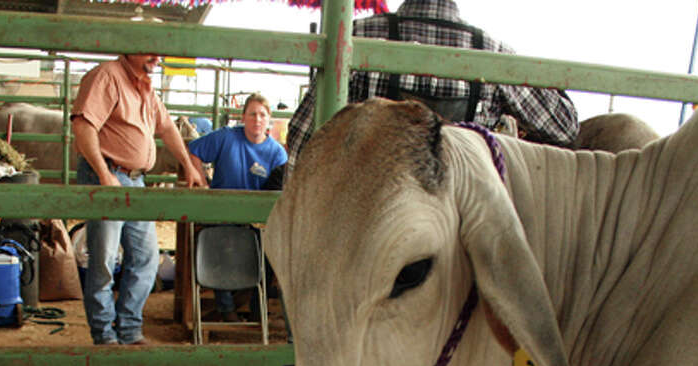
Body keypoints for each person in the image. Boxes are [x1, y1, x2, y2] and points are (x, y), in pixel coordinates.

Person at [284, 0, 579, 163]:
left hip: (369, 228)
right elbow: (564, 126)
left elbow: (301, 139)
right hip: (458, 236)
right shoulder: (491, 52)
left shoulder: (359, 37)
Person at [70, 53, 206, 345]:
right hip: (109, 174)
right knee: (104, 258)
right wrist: (104, 174)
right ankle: (104, 334)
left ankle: (130, 329)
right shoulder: (107, 76)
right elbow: (84, 125)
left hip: (135, 180)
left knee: (145, 257)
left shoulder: (144, 86)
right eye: (148, 49)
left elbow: (167, 127)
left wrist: (188, 165)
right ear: (129, 49)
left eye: (159, 50)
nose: (156, 57)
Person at [186, 93, 287, 322]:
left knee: (268, 251)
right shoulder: (225, 137)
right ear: (243, 117)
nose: (257, 119)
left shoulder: (277, 153)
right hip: (221, 213)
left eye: (262, 114)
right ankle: (226, 309)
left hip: (256, 218)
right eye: (252, 114)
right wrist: (201, 181)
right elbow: (193, 150)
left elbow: (280, 186)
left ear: (269, 119)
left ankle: (256, 309)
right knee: (219, 248)